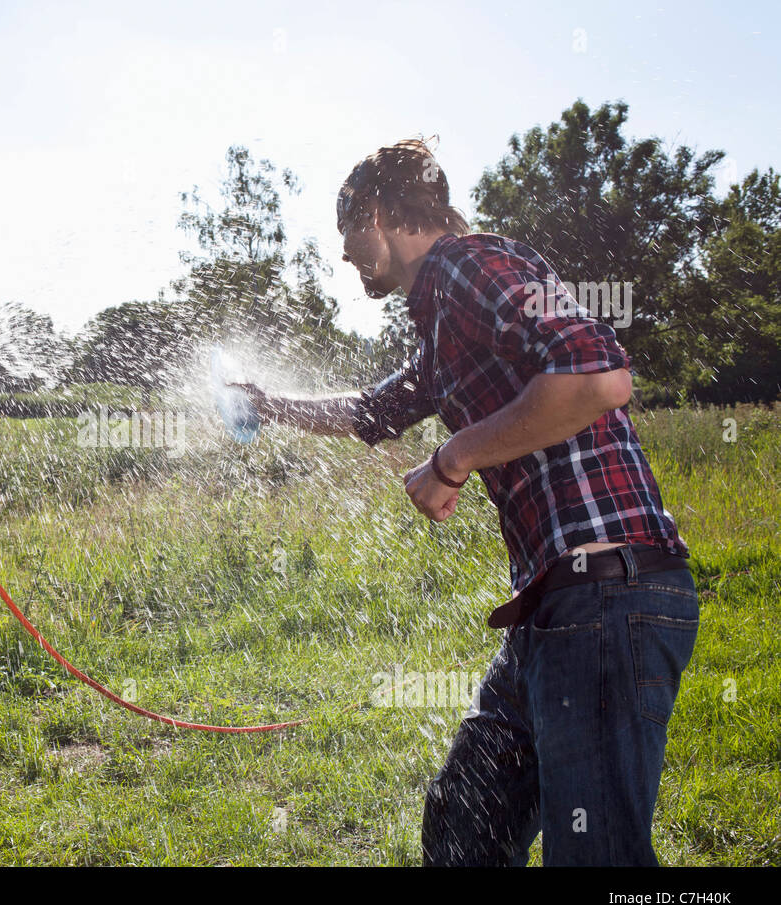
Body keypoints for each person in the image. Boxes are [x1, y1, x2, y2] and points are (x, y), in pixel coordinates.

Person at [235, 138, 697, 865]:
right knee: (462, 833)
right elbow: (369, 411)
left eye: (346, 230)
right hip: (551, 613)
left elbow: (598, 377)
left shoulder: (472, 264)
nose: (346, 254)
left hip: (610, 595)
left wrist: (452, 460)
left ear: (381, 212)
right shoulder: (441, 322)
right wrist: (269, 406)